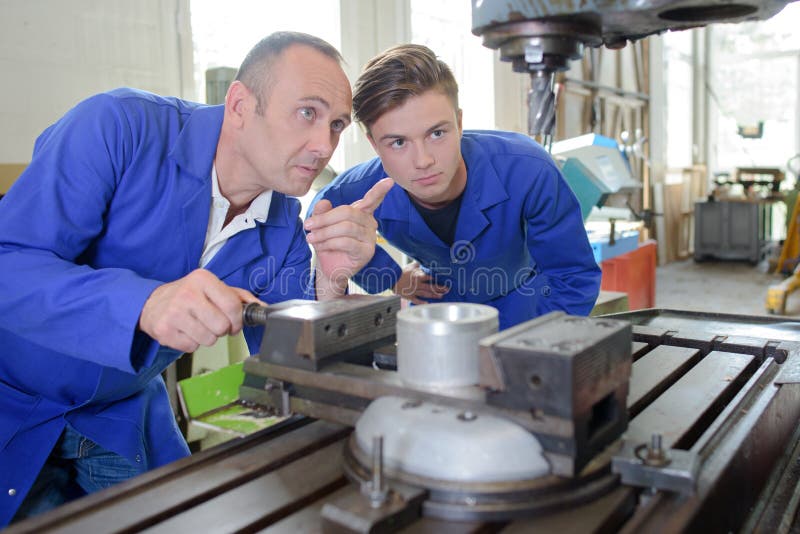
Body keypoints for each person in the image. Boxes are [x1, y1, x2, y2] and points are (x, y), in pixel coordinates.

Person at [0, 31, 392, 525]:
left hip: (120, 412)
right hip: (11, 398)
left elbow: (293, 365)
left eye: (336, 124)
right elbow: (8, 262)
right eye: (308, 113)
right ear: (240, 104)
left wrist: (332, 284)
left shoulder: (283, 228)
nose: (324, 145)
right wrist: (144, 304)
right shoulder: (117, 128)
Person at [311, 44, 601, 330]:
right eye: (398, 142)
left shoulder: (528, 170)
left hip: (525, 309)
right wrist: (389, 276)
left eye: (437, 133)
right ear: (374, 144)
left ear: (459, 123)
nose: (423, 160)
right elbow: (320, 224)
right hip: (436, 313)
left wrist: (538, 347)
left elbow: (572, 275)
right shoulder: (358, 190)